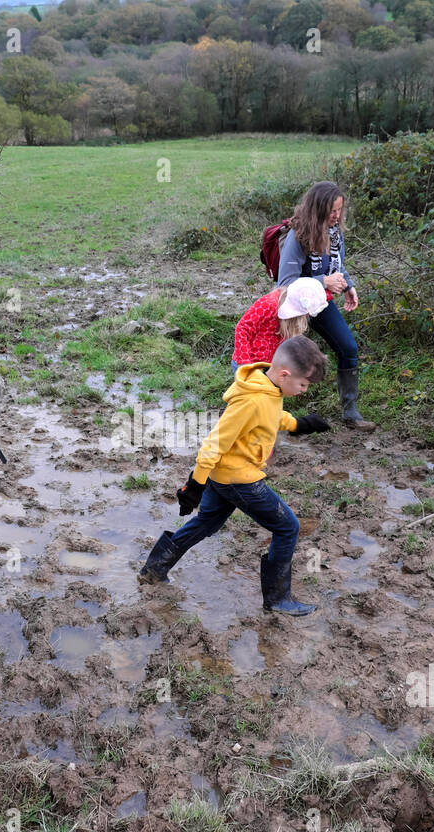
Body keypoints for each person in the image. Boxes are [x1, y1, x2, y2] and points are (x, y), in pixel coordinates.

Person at [139, 336, 332, 616]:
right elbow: (215, 442)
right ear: (284, 374)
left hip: (224, 476)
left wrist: (298, 424)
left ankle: (154, 569)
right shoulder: (251, 400)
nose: (304, 390)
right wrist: (195, 485)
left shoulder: (269, 389)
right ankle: (278, 599)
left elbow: (272, 417)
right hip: (239, 479)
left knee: (206, 523)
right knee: (288, 527)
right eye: (303, 384)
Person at [276, 181, 376, 431]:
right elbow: (285, 283)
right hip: (292, 309)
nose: (337, 215)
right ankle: (270, 414)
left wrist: (348, 285)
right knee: (280, 361)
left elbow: (338, 265)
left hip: (320, 304)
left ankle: (350, 412)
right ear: (318, 209)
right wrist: (323, 281)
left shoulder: (335, 232)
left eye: (340, 210)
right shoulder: (296, 236)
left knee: (348, 347)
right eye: (332, 210)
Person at [231, 276, 328, 371]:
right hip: (250, 364)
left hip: (269, 366)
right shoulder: (268, 304)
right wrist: (245, 364)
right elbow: (242, 329)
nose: (305, 316)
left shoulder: (298, 310)